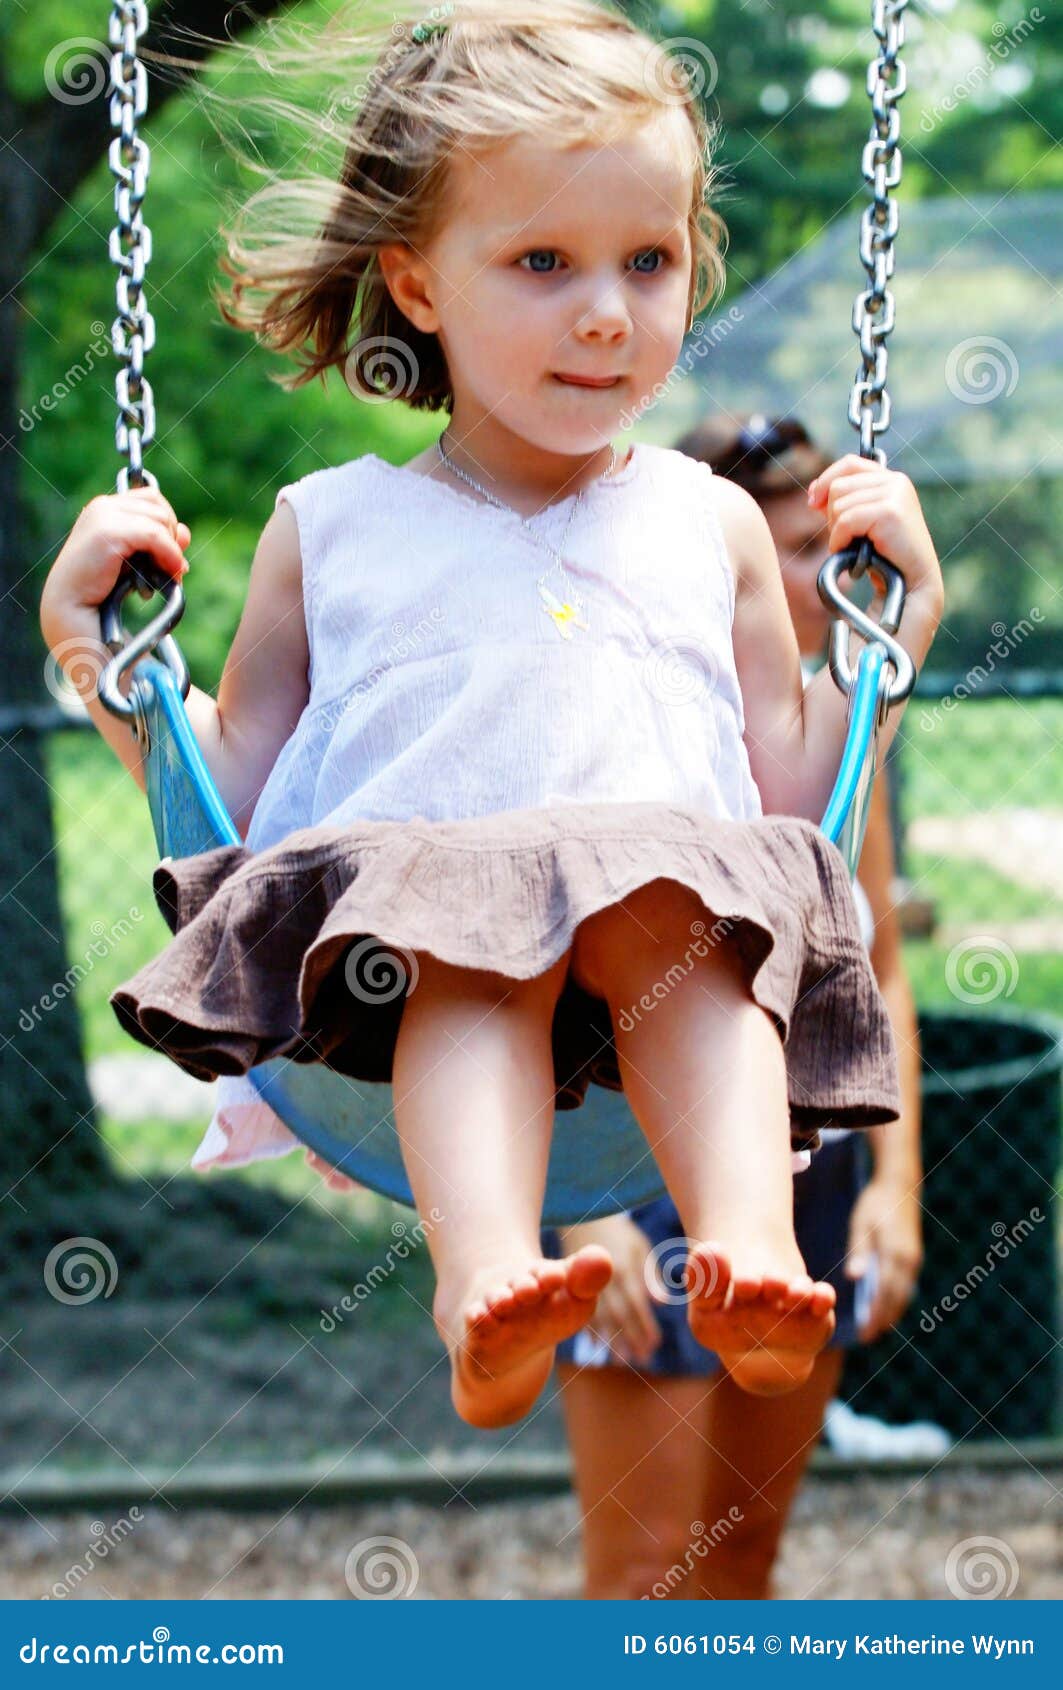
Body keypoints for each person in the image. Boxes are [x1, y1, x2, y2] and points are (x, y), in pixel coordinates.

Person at [38, 0, 943, 1433]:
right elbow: (225, 788)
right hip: (418, 960)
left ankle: (750, 1251)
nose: (605, 309)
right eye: (542, 262)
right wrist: (111, 664)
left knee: (688, 915)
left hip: (669, 935)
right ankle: (483, 1285)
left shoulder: (707, 523)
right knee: (472, 949)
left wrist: (889, 645)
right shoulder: (328, 527)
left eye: (646, 262)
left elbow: (793, 788)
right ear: (414, 284)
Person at [546, 414, 925, 1600]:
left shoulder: (840, 739)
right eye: (760, 552)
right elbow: (532, 981)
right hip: (632, 1160)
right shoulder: (614, 723)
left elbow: (878, 965)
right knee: (649, 1566)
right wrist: (577, 1214)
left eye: (810, 551)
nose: (797, 582)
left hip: (805, 1168)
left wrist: (896, 1187)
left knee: (741, 1556)